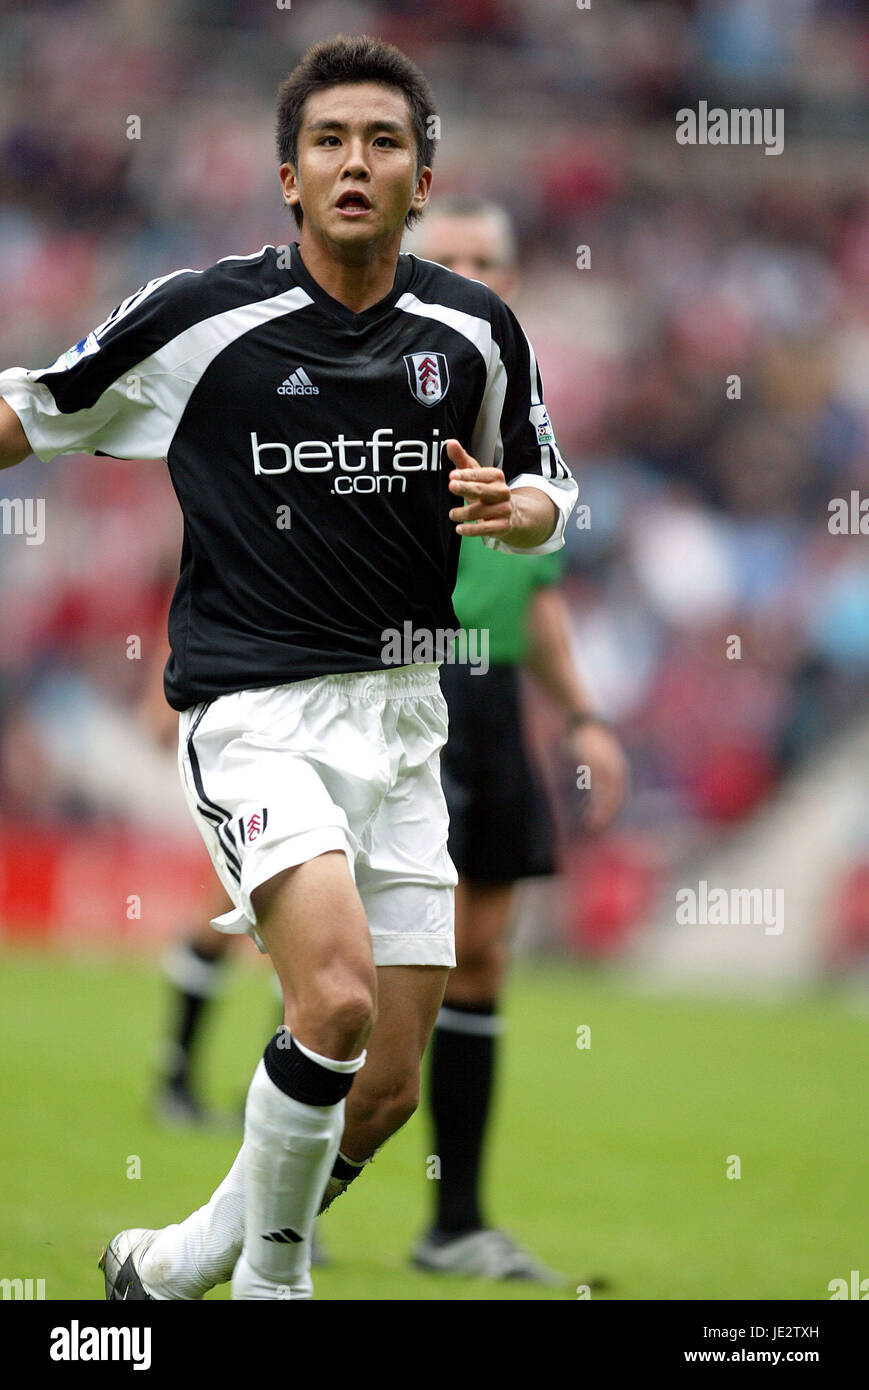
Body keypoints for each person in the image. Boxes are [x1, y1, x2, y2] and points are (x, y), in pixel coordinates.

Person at [0, 34, 577, 1300]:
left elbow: (546, 479)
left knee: (385, 1088)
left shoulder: (473, 328)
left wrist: (527, 510)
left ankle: (172, 1263)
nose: (354, 163)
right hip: (255, 712)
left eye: (382, 142)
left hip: (407, 717)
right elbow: (33, 409)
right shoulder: (201, 315)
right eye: (329, 142)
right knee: (332, 999)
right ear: (287, 176)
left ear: (422, 177)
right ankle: (272, 1284)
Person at [406, 198, 629, 1280]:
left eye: (483, 258)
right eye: (445, 257)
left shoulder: (523, 416)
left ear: (511, 272)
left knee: (482, 953)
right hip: (396, 680)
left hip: (489, 697)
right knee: (380, 960)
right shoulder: (376, 385)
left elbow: (533, 595)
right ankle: (282, 1207)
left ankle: (453, 1222)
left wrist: (582, 714)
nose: (466, 272)